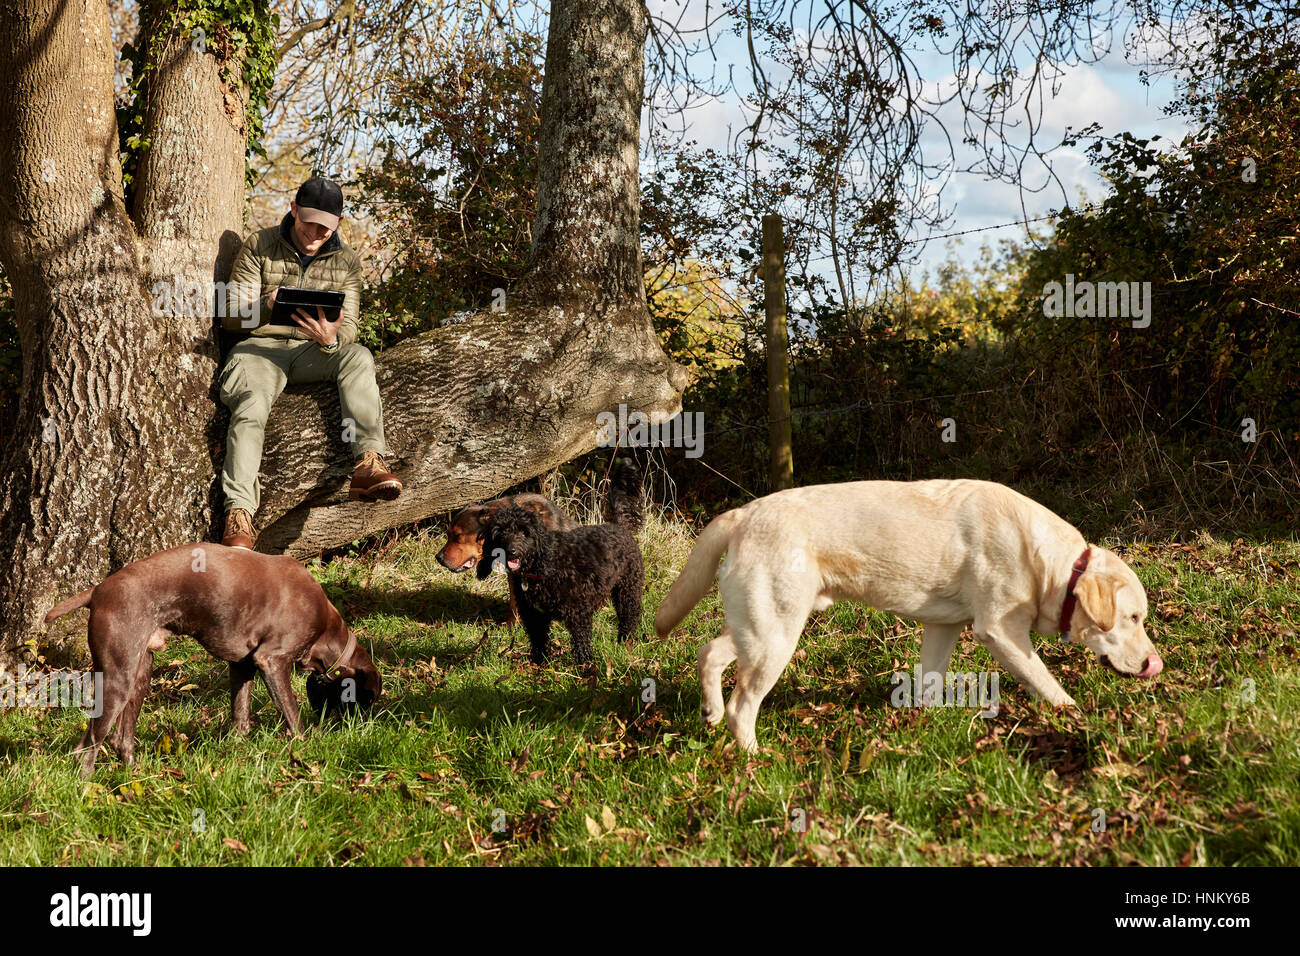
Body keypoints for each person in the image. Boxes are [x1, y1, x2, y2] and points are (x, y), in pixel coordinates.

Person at [218, 176, 401, 549]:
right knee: (250, 408)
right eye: (310, 223)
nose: (316, 233)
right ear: (293, 209)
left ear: (337, 224)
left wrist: (332, 337)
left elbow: (349, 324)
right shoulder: (260, 244)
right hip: (258, 350)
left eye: (325, 227)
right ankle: (238, 515)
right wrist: (265, 306)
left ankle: (368, 462)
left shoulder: (347, 261)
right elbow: (231, 317)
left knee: (359, 356)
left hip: (313, 351)